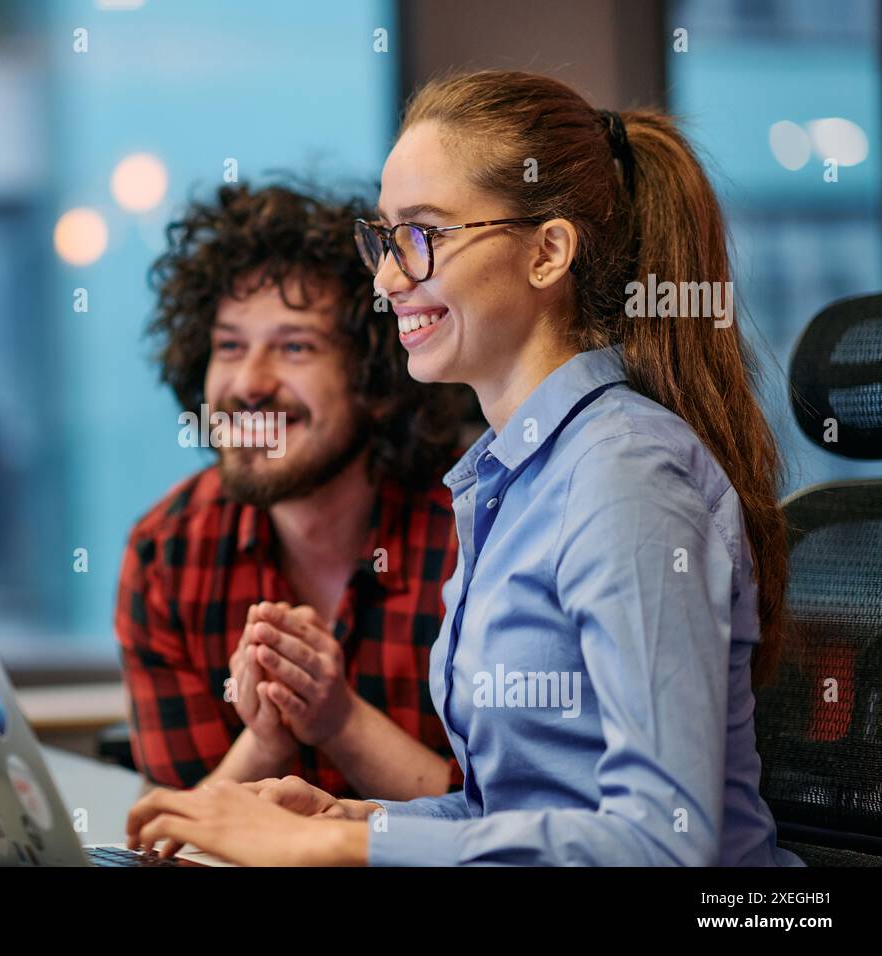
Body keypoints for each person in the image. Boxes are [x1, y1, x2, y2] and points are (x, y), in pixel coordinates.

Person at [125, 70, 804, 866]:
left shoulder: (624, 474)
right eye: (382, 239)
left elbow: (660, 843)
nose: (386, 279)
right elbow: (512, 814)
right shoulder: (508, 481)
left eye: (422, 236)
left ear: (548, 252)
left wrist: (344, 853)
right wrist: (354, 824)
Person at [115, 183, 475, 801]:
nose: (249, 383)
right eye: (229, 345)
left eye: (295, 347)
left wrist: (339, 720)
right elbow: (175, 824)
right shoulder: (167, 554)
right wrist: (267, 742)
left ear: (377, 379)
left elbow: (512, 821)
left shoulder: (478, 534)